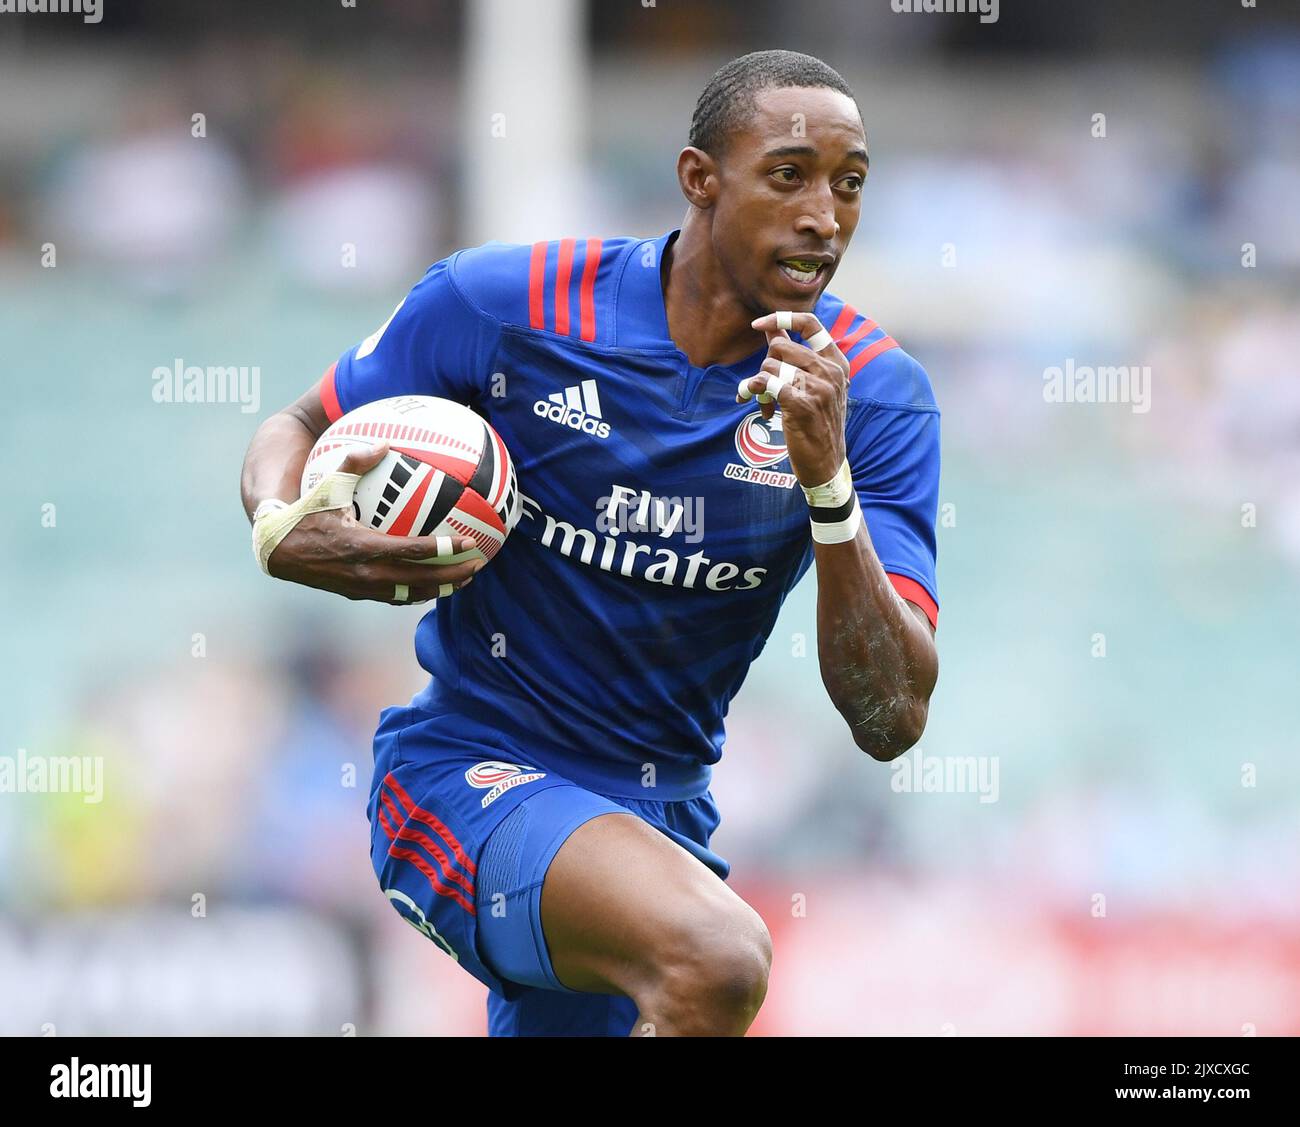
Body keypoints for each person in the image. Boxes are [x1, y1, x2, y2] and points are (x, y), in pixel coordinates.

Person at [239, 49, 940, 1037]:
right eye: (788, 175)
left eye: (849, 184)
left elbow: (891, 715)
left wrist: (826, 481)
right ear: (699, 178)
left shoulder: (873, 394)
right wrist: (280, 525)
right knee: (717, 957)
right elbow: (299, 427)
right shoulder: (505, 305)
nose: (824, 214)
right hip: (467, 772)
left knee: (691, 961)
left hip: (657, 826)